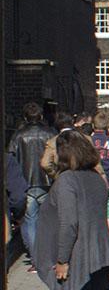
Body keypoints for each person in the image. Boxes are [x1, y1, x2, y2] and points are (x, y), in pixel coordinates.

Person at [32, 130, 109, 290]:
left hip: (78, 259)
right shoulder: (96, 177)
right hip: (98, 255)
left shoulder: (67, 180)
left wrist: (62, 260)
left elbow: (69, 223)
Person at [8, 102, 56, 253]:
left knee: (29, 220)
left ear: (25, 117)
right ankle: (47, 251)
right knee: (48, 219)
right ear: (41, 116)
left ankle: (35, 254)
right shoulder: (50, 133)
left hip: (25, 182)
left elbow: (11, 157)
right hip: (47, 181)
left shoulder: (18, 135)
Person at [89, 113, 109, 242]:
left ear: (93, 125)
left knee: (93, 222)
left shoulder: (88, 142)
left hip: (92, 185)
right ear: (108, 125)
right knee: (108, 222)